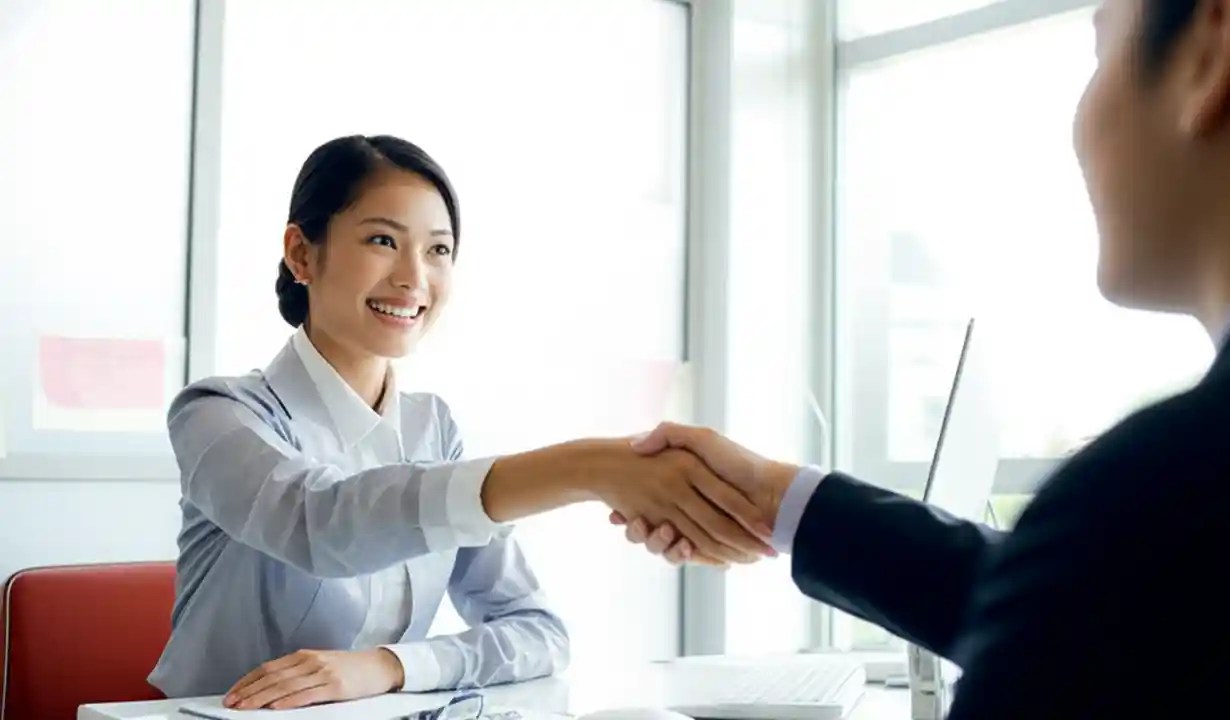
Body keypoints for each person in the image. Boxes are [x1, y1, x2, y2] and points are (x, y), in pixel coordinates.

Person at [616, 0, 1230, 716]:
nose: (1080, 126)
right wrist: (780, 500)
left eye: (1099, 51)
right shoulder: (1182, 525)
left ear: (1212, 46)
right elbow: (1127, 619)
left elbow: (1109, 600)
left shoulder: (1156, 501)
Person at [148, 134, 773, 709]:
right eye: (383, 241)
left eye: (438, 249)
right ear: (301, 254)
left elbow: (536, 633)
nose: (414, 278)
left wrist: (389, 666)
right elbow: (319, 525)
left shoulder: (431, 428)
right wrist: (585, 468)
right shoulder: (217, 414)